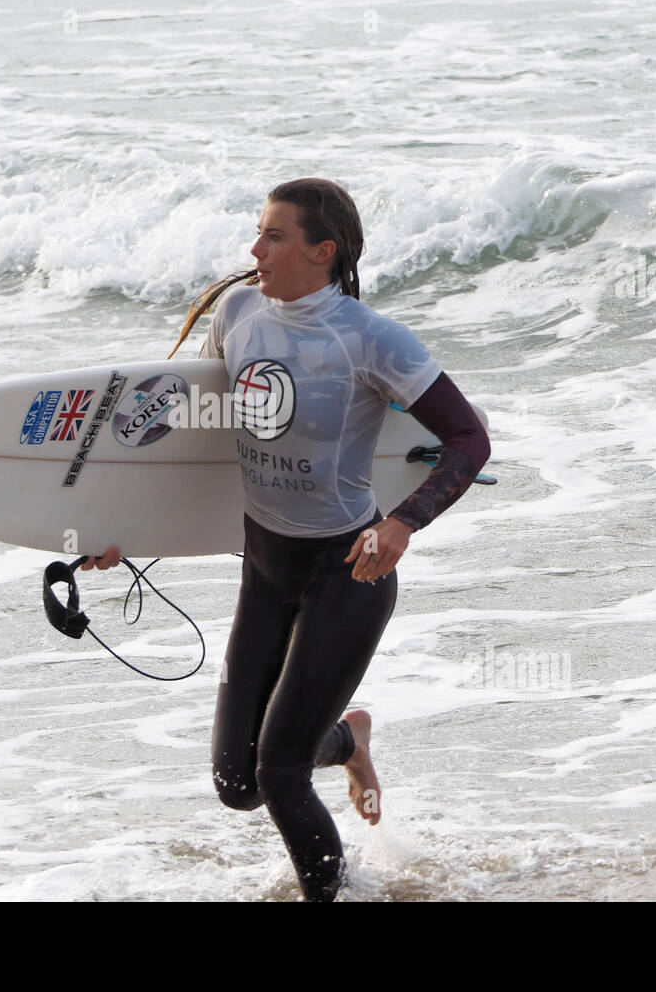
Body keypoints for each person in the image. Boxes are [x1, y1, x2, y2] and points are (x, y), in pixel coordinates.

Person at [82, 178, 490, 901]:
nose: (254, 249)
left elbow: (468, 437)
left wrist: (402, 521)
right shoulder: (237, 312)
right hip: (266, 565)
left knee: (279, 771)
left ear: (321, 250)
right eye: (258, 232)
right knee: (237, 782)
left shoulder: (368, 338)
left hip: (347, 572)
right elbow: (189, 437)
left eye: (273, 235)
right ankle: (349, 739)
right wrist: (125, 533)